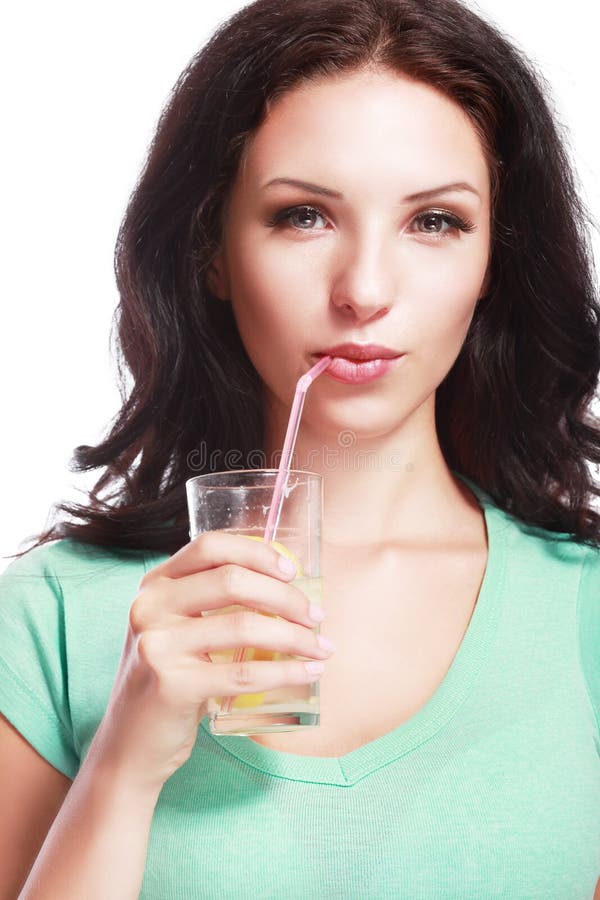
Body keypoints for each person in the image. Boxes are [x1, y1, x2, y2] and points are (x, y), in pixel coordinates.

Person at [1, 0, 599, 896]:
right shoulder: (46, 619)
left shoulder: (584, 614)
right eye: (302, 217)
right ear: (212, 250)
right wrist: (122, 766)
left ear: (494, 265)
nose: (363, 290)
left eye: (434, 221)